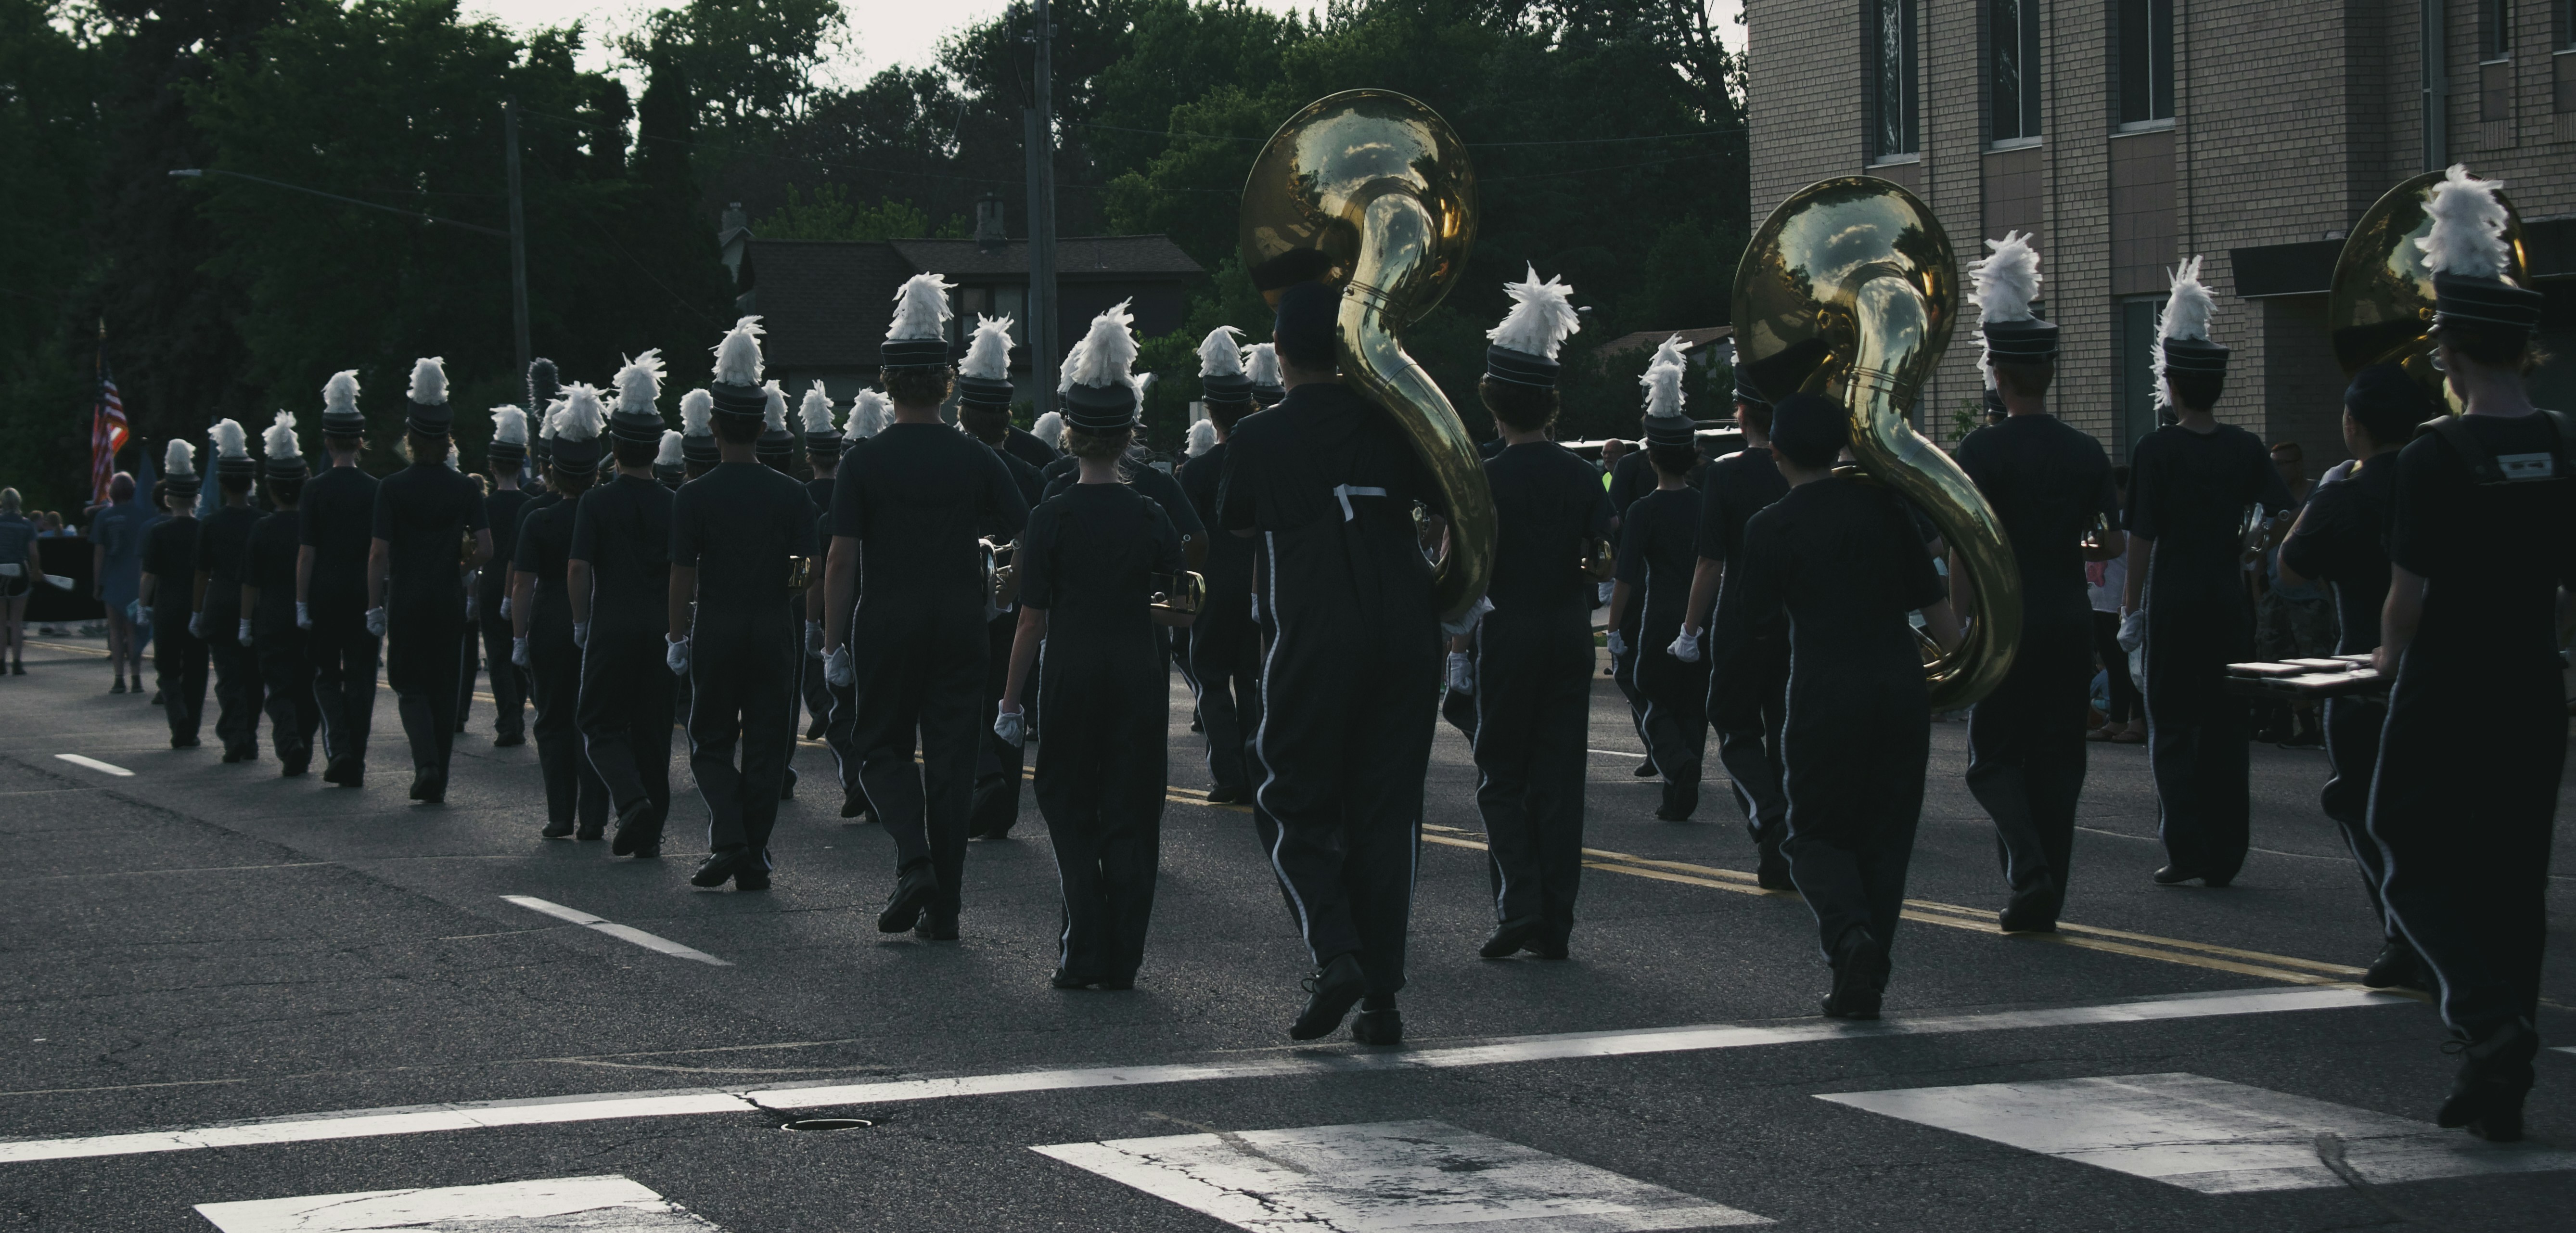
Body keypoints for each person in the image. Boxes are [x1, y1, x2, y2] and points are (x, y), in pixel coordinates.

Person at [2365, 167, 2569, 1142]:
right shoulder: (2563, 445)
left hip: (2447, 681)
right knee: (2512, 877)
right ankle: (2501, 1077)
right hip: (2532, 678)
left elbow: (2410, 597)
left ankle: (2486, 1025)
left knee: (2405, 850)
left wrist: (2383, 662)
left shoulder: (2433, 454)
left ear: (2448, 347)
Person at [1218, 276, 1452, 1045]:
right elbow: (1461, 500)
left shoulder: (1256, 437)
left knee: (1287, 796)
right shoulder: (1398, 420)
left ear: (1279, 354)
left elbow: (1238, 527)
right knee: (1387, 813)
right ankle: (1383, 999)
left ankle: (1334, 950)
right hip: (1408, 629)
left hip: (1314, 633)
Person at [1711, 393, 1961, 1019]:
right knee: (1886, 837)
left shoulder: (1769, 525)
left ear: (1777, 452)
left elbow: (1754, 623)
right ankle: (1868, 978)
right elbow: (1940, 616)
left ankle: (1850, 939)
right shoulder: (1885, 506)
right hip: (1901, 686)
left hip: (1823, 690)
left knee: (1813, 835)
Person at [821, 278, 1028, 932]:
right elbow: (1024, 532)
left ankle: (914, 860)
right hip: (961, 621)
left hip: (886, 619)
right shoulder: (974, 456)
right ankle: (947, 910)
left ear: (887, 382)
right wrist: (1000, 590)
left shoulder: (862, 462)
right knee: (950, 762)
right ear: (948, 383)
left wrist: (831, 644)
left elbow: (840, 561)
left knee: (877, 747)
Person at [995, 302, 1188, 989]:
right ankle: (1124, 957)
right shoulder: (1152, 515)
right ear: (1130, 433)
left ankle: (1083, 948)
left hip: (1070, 676)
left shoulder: (1049, 517)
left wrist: (1010, 700)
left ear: (1071, 433)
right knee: (1133, 810)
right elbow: (1178, 607)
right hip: (1138, 673)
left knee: (1069, 803)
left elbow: (1030, 621)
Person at [1946, 232, 2124, 933]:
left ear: (1997, 374)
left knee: (1991, 761)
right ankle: (2046, 889)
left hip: (2004, 622)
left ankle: (2029, 870)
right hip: (2068, 616)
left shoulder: (1980, 448)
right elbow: (2109, 541)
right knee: (2059, 760)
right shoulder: (2085, 449)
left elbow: (1964, 546)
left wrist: (1956, 628)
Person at [2116, 257, 2293, 887]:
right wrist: (2249, 546)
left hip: (2173, 596)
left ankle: (2185, 847)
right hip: (2226, 596)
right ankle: (2226, 852)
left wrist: (2131, 608)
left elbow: (2141, 534)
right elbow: (2279, 512)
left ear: (2174, 385)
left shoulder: (2156, 448)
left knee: (2172, 725)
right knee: (2224, 728)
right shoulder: (2245, 446)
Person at [1458, 267, 1609, 959]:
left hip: (1507, 630)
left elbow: (1466, 570)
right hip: (1570, 632)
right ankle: (1556, 921)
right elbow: (1602, 558)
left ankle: (1517, 898)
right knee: (1558, 781)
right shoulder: (1582, 475)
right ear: (1550, 406)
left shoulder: (1482, 480)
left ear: (1494, 404)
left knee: (1500, 776)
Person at [2277, 363, 2429, 989]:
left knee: (2362, 806)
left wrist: (2322, 495)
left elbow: (2290, 570)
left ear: (2353, 424)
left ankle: (2404, 934)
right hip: (2449, 666)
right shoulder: (2443, 477)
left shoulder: (2345, 490)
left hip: (2363, 666)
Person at [671, 317, 820, 892]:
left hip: (716, 626)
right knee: (765, 747)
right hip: (772, 627)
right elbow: (804, 572)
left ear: (713, 427)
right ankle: (753, 855)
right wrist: (783, 604)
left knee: (708, 742)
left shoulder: (692, 495)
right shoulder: (792, 493)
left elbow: (683, 575)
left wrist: (676, 636)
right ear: (762, 426)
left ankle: (732, 839)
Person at [1675, 373, 1792, 885]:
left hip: (1742, 618)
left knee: (1733, 726)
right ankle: (1779, 851)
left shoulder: (1724, 473)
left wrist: (1688, 628)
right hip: (1795, 620)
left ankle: (1769, 816)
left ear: (1741, 412)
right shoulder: (1803, 468)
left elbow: (1710, 562)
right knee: (1784, 736)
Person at [367, 357, 492, 804]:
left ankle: (426, 764)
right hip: (447, 596)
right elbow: (486, 548)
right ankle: (438, 777)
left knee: (408, 683)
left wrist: (373, 605)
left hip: (405, 595)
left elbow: (379, 552)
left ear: (412, 439)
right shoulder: (465, 489)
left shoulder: (392, 487)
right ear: (447, 439)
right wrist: (458, 570)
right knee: (443, 686)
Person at [576, 352, 678, 857]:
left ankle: (631, 800)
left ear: (614, 447)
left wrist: (580, 621)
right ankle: (650, 833)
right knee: (654, 733)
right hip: (660, 627)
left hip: (612, 626)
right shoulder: (675, 502)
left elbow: (579, 569)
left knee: (598, 722)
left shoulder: (594, 503)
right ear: (657, 448)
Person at [955, 313, 1050, 841]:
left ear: (965, 410)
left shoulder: (949, 459)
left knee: (966, 697)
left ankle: (982, 777)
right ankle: (1002, 802)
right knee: (1008, 695)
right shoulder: (1035, 464)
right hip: (1017, 607)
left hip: (963, 601)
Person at [1605, 339, 1706, 822]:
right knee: (1691, 699)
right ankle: (1680, 784)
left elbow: (1625, 572)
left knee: (1643, 686)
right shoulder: (1704, 500)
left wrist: (1614, 627)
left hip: (1654, 609)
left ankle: (1674, 762)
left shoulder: (1641, 504)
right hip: (1699, 607)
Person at [512, 389, 611, 838]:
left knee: (553, 718)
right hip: (598, 616)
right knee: (594, 717)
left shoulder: (537, 518)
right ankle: (593, 816)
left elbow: (522, 584)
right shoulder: (604, 513)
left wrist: (517, 636)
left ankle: (559, 815)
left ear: (551, 470)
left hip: (549, 619)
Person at [1179, 326, 1264, 806]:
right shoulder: (1263, 461)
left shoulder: (1195, 470)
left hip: (1211, 588)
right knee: (1250, 681)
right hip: (1256, 585)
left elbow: (1186, 539)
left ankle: (1228, 774)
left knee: (1212, 681)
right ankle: (1255, 770)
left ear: (1211, 412)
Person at [301, 371, 382, 786]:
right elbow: (379, 552)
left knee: (326, 675)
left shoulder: (313, 490)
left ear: (329, 441)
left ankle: (341, 747)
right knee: (363, 678)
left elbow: (307, 554)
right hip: (364, 596)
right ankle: (358, 758)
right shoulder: (376, 489)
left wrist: (300, 602)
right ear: (360, 440)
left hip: (325, 596)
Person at [241, 412, 318, 776]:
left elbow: (250, 582)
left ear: (271, 488)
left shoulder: (262, 529)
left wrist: (245, 622)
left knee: (281, 688)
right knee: (307, 686)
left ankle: (290, 743)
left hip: (271, 617)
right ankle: (303, 740)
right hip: (310, 615)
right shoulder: (313, 525)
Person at [193, 419, 266, 763]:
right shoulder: (261, 521)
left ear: (222, 484)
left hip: (220, 606)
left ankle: (236, 735)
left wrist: (196, 612)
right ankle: (247, 734)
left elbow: (202, 573)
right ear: (251, 482)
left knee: (228, 678)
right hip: (254, 608)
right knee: (253, 678)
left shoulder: (210, 523)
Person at [2253, 438, 2331, 747]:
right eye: (2274, 464)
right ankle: (2297, 724)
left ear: (2298, 464)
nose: (2278, 470)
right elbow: (2256, 546)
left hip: (2310, 593)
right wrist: (2257, 592)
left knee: (2315, 661)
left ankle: (2323, 726)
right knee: (2278, 660)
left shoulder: (2318, 495)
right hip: (2275, 591)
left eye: (2284, 463)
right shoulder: (2271, 500)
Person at [472, 405, 534, 748]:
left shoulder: (483, 505)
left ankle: (508, 719)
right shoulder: (532, 503)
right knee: (519, 648)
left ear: (493, 467)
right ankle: (518, 713)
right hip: (524, 582)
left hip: (492, 581)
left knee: (497, 654)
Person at [140, 446, 205, 742]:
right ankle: (190, 730)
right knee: (196, 669)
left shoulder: (159, 533)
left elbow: (150, 575)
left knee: (166, 667)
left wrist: (143, 604)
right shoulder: (205, 530)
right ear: (196, 498)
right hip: (197, 606)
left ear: (168, 499)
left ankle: (177, 715)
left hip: (167, 607)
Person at [797, 381, 844, 743]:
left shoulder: (799, 497)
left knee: (810, 656)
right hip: (849, 583)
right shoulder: (850, 493)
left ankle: (820, 704)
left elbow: (801, 555)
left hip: (809, 582)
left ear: (810, 457)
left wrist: (794, 591)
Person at [2086, 467, 2143, 743]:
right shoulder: (2107, 519)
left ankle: (2136, 720)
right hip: (2099, 602)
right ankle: (2118, 719)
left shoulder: (2129, 522)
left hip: (2118, 604)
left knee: (2128, 666)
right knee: (2113, 666)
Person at [91, 473, 150, 693]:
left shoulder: (103, 518)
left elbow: (99, 553)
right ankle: (136, 677)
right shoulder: (142, 515)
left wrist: (97, 584)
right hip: (136, 580)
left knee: (115, 631)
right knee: (133, 630)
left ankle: (119, 678)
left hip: (112, 579)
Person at [0, 488, 35, 675]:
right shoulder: (27, 525)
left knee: (0, 621)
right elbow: (34, 553)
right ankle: (17, 663)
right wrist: (36, 571)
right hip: (20, 572)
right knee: (16, 621)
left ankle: (0, 663)